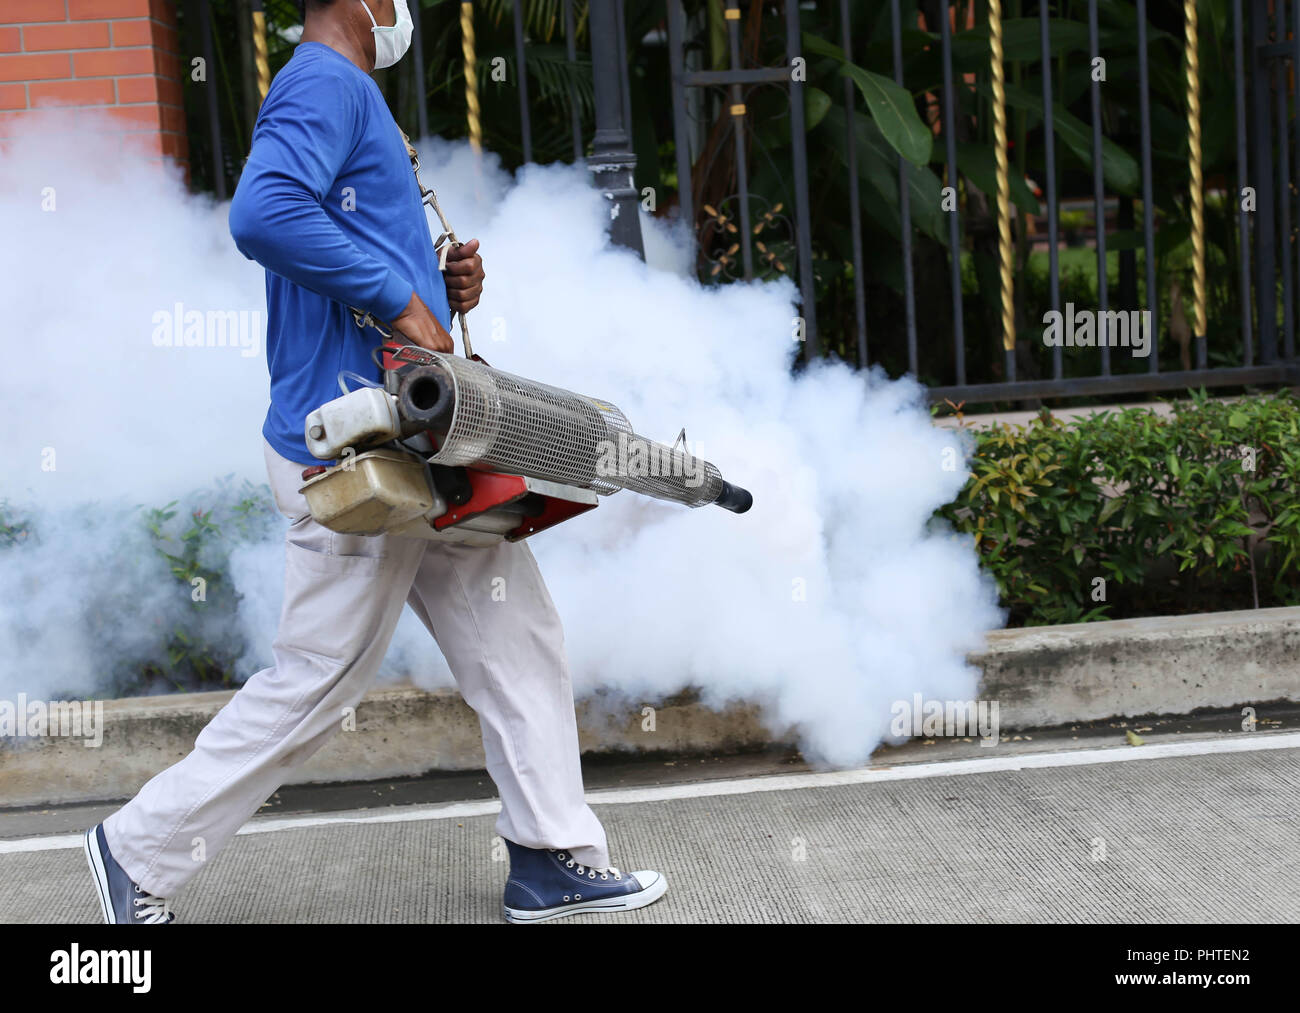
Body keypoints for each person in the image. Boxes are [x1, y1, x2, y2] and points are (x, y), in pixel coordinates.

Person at [83, 0, 666, 925]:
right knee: (320, 674)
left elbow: (333, 238)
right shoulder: (321, 79)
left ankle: (553, 855)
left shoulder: (346, 91)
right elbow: (265, 212)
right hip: (358, 452)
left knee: (516, 636)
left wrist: (440, 280)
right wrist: (405, 302)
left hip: (409, 440)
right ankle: (136, 850)